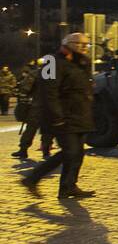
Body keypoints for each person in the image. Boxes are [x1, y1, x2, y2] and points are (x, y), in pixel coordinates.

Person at [19, 33, 95, 199]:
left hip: (80, 116)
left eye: (86, 45)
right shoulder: (51, 61)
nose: (84, 47)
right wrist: (57, 116)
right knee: (70, 151)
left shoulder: (83, 62)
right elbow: (48, 92)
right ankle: (32, 179)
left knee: (77, 153)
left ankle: (68, 187)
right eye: (80, 44)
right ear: (68, 44)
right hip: (62, 117)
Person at [11, 61, 53, 162]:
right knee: (48, 128)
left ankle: (23, 149)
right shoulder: (57, 74)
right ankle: (46, 149)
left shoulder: (36, 73)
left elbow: (25, 88)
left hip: (37, 105)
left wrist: (24, 100)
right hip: (51, 106)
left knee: (31, 128)